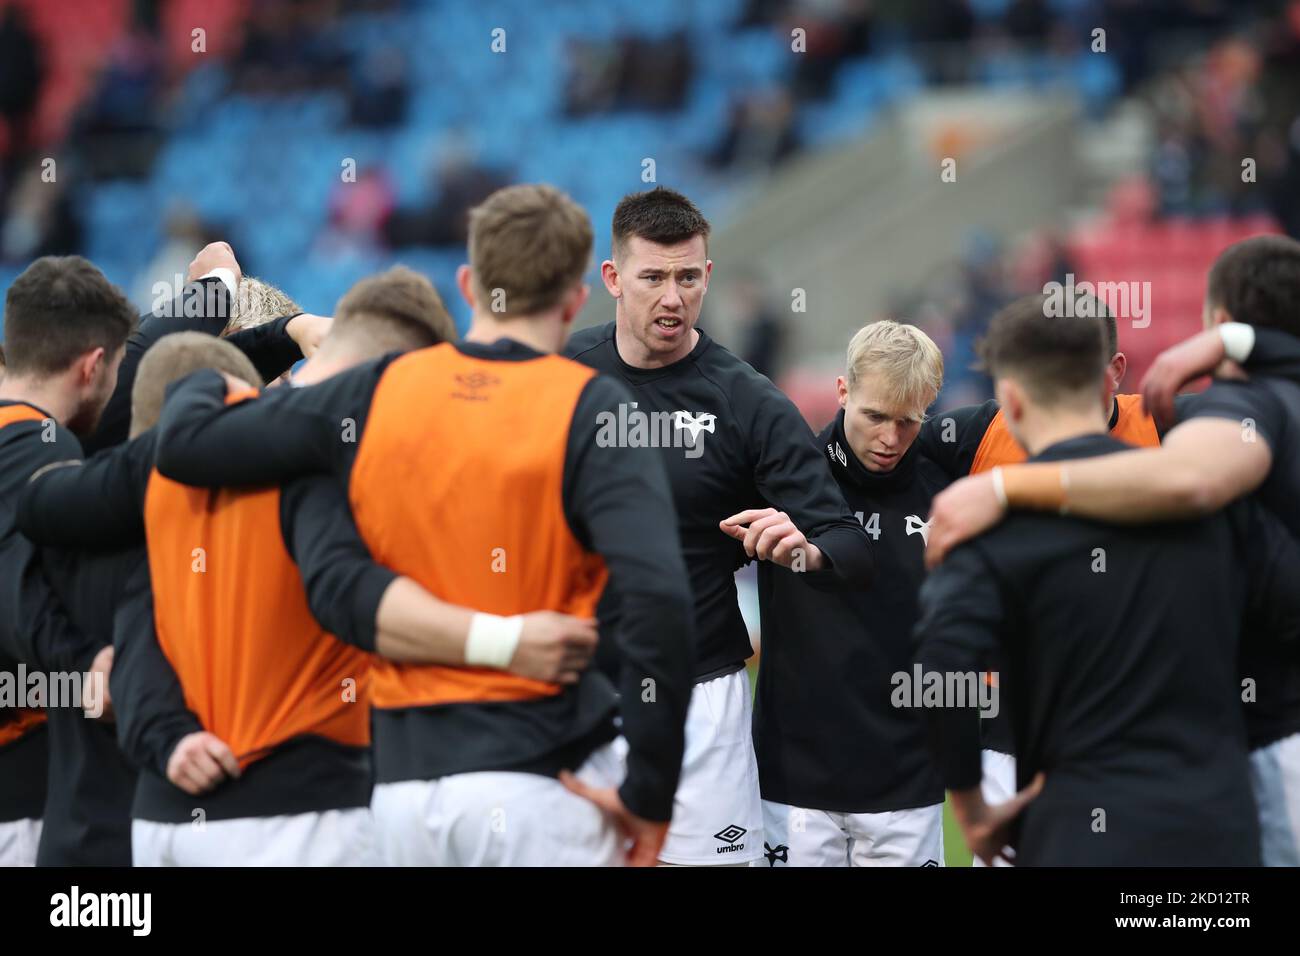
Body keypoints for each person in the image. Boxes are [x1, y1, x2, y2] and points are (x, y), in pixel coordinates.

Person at [153, 184, 695, 866]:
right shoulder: (592, 405)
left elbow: (185, 442)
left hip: (404, 798)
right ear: (576, 298)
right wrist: (650, 795)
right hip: (545, 779)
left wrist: (269, 345)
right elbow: (661, 601)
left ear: (469, 284)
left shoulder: (378, 389)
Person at [925, 235, 1300, 864]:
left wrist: (972, 808)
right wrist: (1242, 343)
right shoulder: (1220, 510)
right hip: (1217, 827)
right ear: (1111, 377)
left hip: (1080, 828)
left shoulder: (988, 522)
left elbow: (941, 669)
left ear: (1010, 399)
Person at [566, 186, 873, 866]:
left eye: (686, 277)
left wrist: (805, 551)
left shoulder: (747, 401)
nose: (671, 298)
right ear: (613, 279)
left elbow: (849, 544)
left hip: (699, 698)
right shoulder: (560, 376)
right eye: (652, 278)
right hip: (571, 685)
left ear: (707, 276)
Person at [753, 321, 947, 866]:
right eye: (875, 416)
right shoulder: (786, 478)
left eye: (908, 422)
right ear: (842, 391)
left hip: (906, 784)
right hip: (794, 783)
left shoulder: (949, 489)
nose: (889, 439)